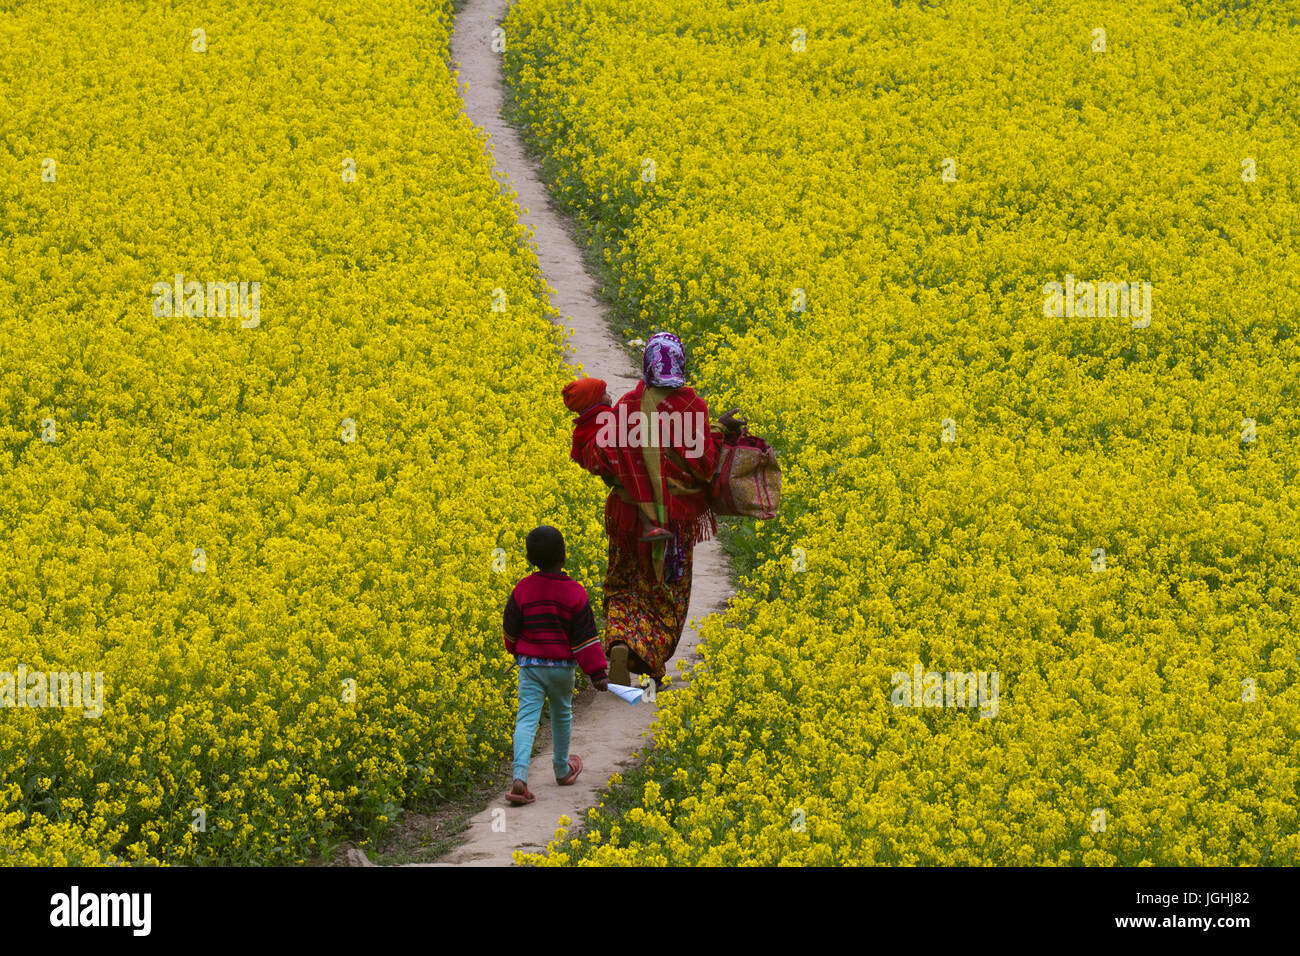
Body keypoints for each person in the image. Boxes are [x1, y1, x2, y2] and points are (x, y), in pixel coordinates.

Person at [565, 332, 744, 689]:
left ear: (646, 366)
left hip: (628, 516)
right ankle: (646, 657)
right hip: (673, 521)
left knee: (624, 582)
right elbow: (705, 465)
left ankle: (619, 640)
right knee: (666, 593)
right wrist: (720, 431)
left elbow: (604, 459)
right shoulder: (692, 407)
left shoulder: (627, 405)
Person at [502, 525, 609, 806]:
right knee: (562, 715)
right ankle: (562, 769)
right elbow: (585, 636)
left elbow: (510, 627)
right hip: (562, 669)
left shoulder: (523, 589)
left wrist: (515, 649)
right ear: (564, 557)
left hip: (531, 667)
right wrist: (597, 672)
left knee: (526, 719)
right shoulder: (574, 592)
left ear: (529, 559)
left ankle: (520, 778)